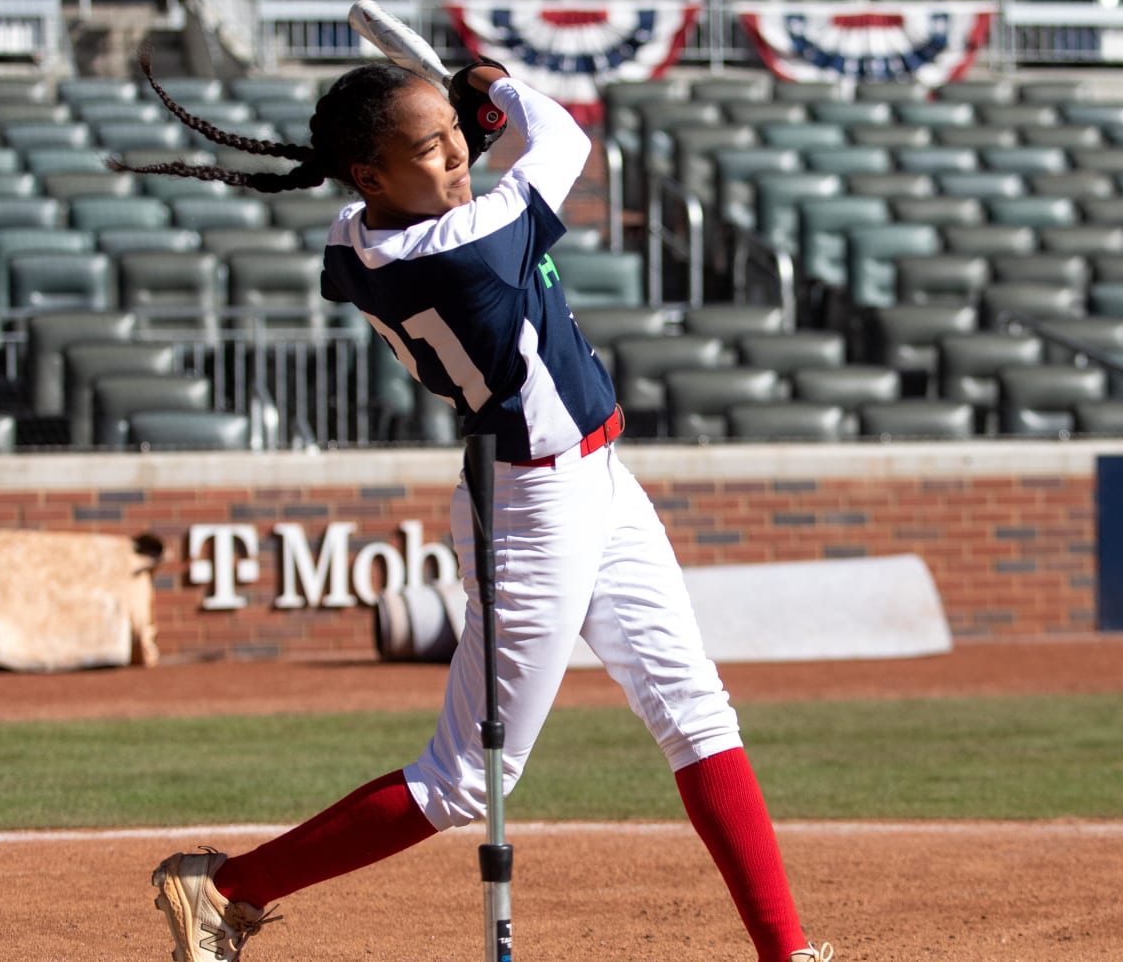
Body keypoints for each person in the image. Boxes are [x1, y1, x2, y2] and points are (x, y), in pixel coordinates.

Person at [114, 60, 831, 962]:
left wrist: (455, 132)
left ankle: (784, 951)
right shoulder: (471, 245)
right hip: (532, 507)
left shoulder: (355, 239)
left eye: (453, 138)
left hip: (599, 480)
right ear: (370, 175)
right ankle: (226, 888)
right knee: (463, 780)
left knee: (697, 712)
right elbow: (563, 136)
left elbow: (433, 190)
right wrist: (497, 83)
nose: (456, 156)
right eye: (430, 148)